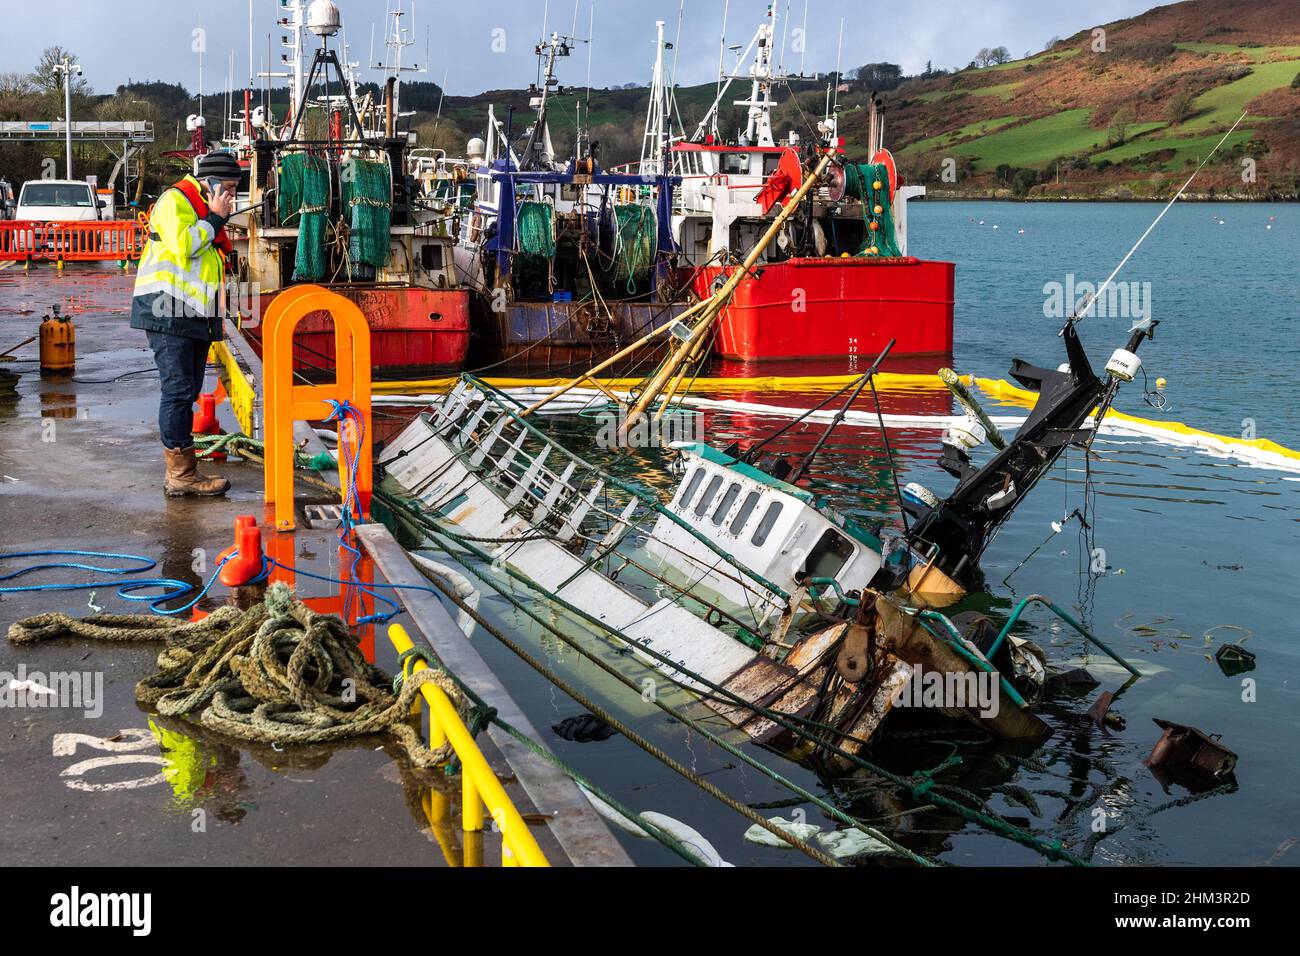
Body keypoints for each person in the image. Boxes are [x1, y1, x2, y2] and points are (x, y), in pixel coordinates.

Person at [130, 151, 240, 496]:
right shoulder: (174, 200)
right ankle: (181, 475)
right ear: (211, 183)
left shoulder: (199, 207)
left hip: (191, 314)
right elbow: (184, 245)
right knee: (177, 391)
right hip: (167, 311)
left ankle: (183, 470)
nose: (232, 196)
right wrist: (216, 218)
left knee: (187, 391)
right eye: (230, 187)